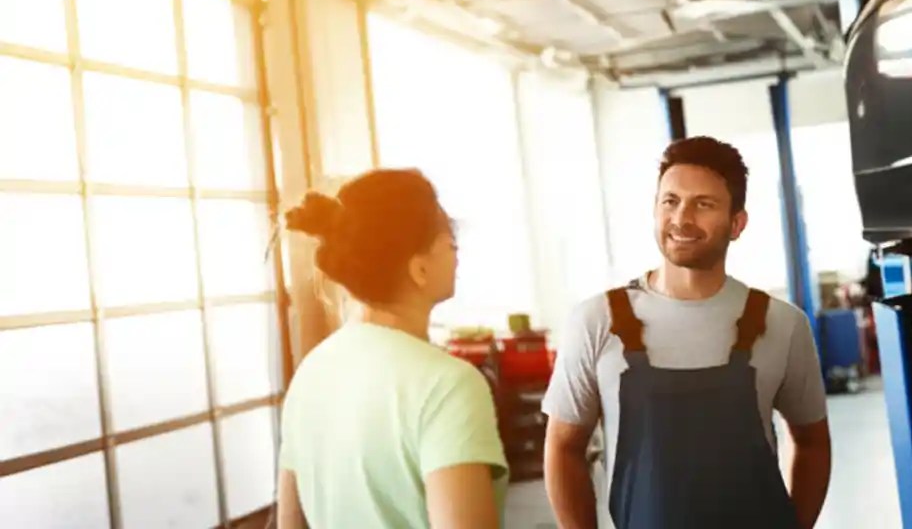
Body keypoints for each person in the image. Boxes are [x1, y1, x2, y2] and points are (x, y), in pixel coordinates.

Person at [542, 136, 832, 529]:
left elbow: (812, 443)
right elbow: (563, 447)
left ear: (737, 223)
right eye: (670, 201)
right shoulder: (597, 321)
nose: (681, 218)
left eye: (704, 204)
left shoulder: (782, 324)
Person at [275, 168, 508, 529]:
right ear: (419, 269)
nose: (457, 255)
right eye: (450, 243)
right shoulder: (448, 385)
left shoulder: (311, 372)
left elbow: (290, 523)